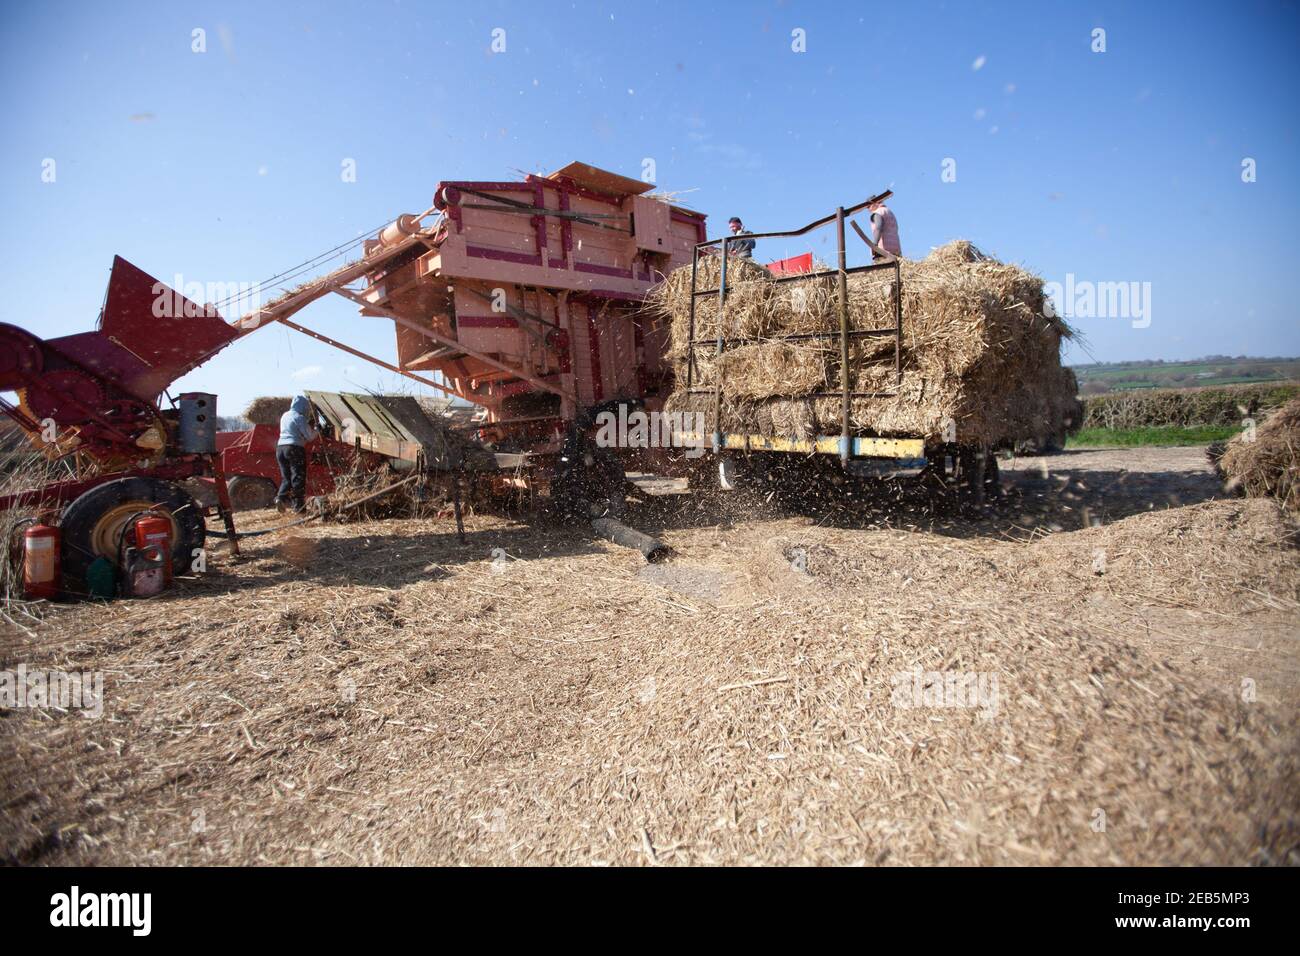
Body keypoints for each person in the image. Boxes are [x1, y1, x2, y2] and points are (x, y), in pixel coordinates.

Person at [275, 395, 319, 513]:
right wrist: (318, 430)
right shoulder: (299, 417)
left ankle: (281, 497)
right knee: (298, 478)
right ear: (303, 407)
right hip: (294, 449)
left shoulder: (285, 415)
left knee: (287, 478)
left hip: (280, 448)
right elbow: (309, 437)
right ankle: (299, 508)